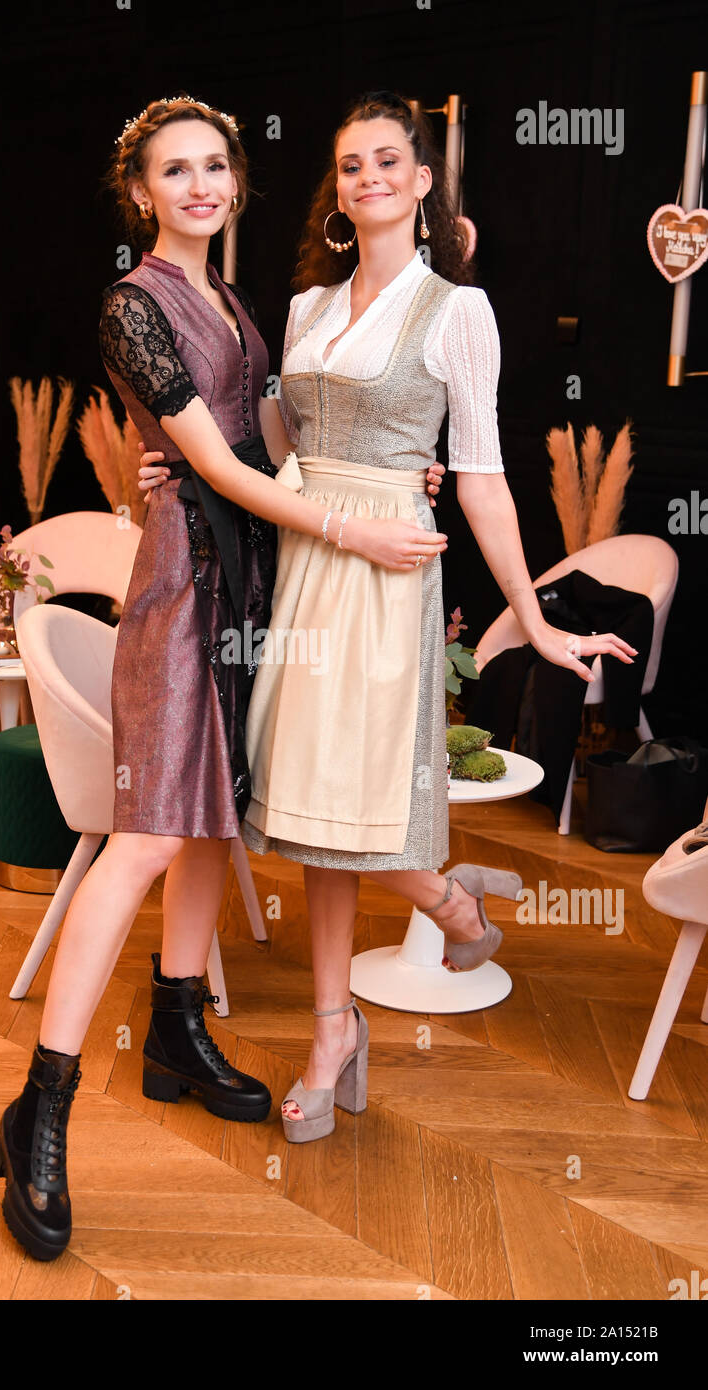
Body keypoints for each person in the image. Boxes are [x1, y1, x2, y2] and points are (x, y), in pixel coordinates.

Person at [0, 94, 443, 1263]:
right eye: (172, 171)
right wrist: (356, 532)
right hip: (185, 594)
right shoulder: (132, 306)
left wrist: (400, 473)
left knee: (206, 829)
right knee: (144, 836)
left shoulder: (238, 305)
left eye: (214, 168)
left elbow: (278, 444)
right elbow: (220, 470)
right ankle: (41, 1106)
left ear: (235, 182)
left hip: (252, 593)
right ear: (139, 193)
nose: (198, 185)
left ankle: (176, 1032)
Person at [139, 90, 638, 1146]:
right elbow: (262, 435)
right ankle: (350, 1009)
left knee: (347, 799)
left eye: (386, 162)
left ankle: (444, 912)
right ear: (338, 190)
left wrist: (530, 613)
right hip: (305, 550)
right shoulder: (306, 307)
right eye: (349, 165)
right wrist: (175, 459)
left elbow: (483, 477)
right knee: (306, 805)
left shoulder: (458, 309)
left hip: (385, 561)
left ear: (420, 183)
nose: (366, 177)